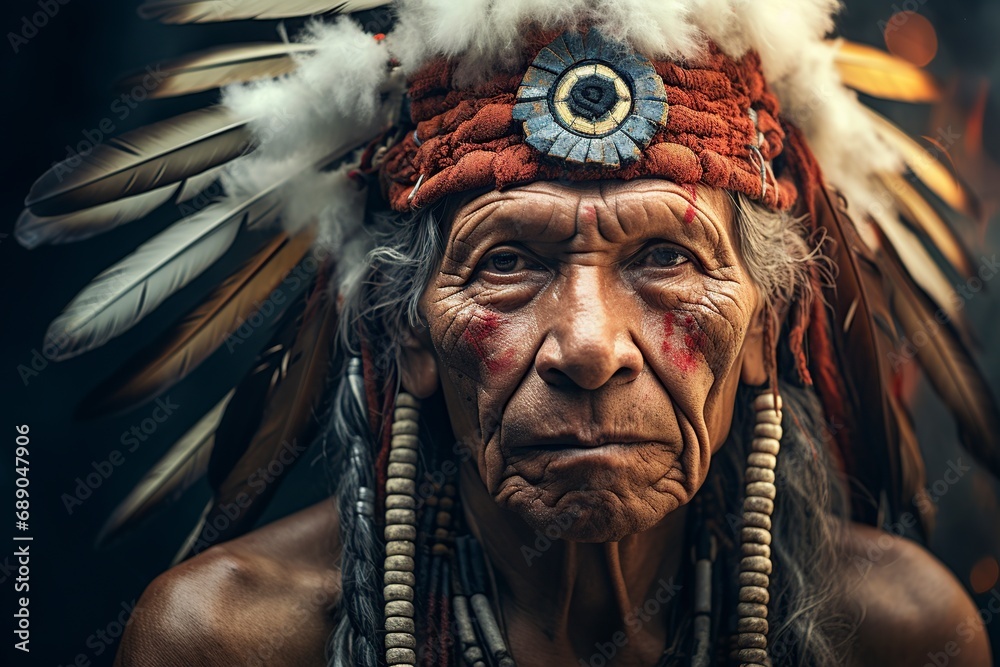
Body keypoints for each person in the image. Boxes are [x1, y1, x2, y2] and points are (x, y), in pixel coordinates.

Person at [16, 1, 998, 665]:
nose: (588, 345)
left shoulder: (901, 635)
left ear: (762, 331)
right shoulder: (225, 640)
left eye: (666, 257)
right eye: (507, 263)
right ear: (407, 332)